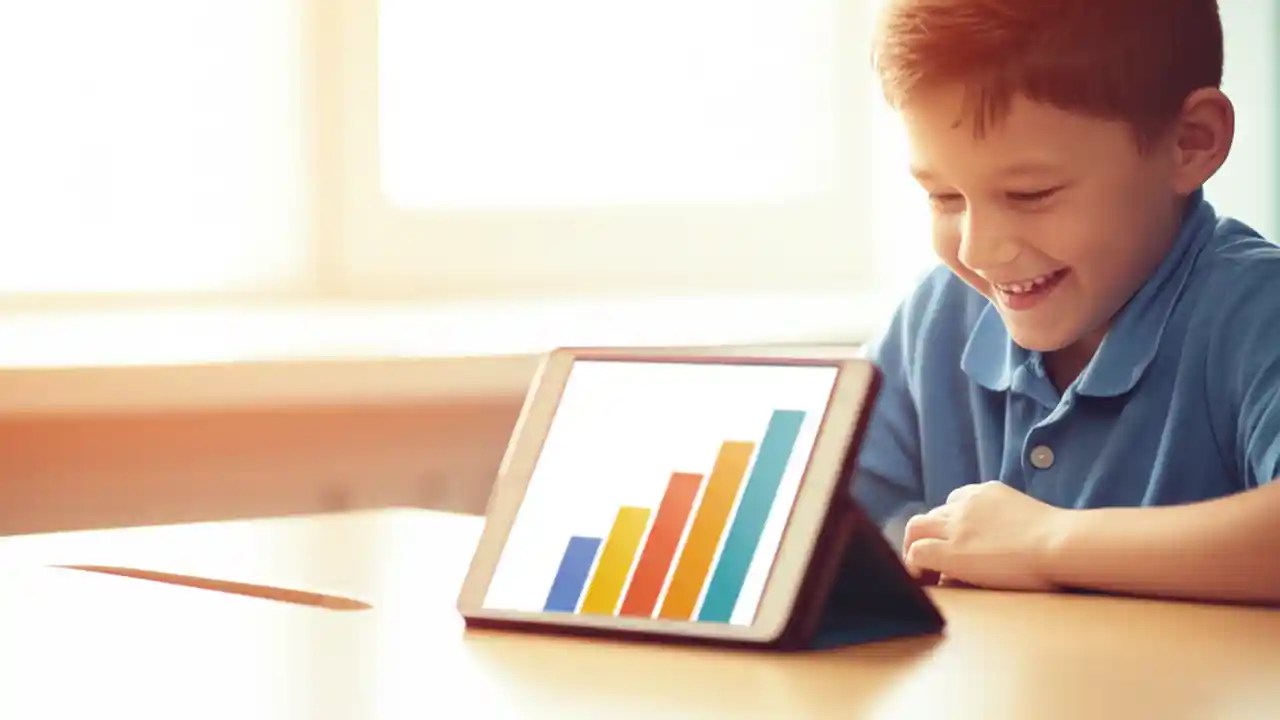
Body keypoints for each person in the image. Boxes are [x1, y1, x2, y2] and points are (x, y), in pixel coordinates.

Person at [852, 0, 1280, 604]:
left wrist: (1046, 544)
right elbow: (818, 501)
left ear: (1190, 142)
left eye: (1030, 194)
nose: (979, 250)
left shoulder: (1255, 312)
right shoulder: (938, 317)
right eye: (945, 198)